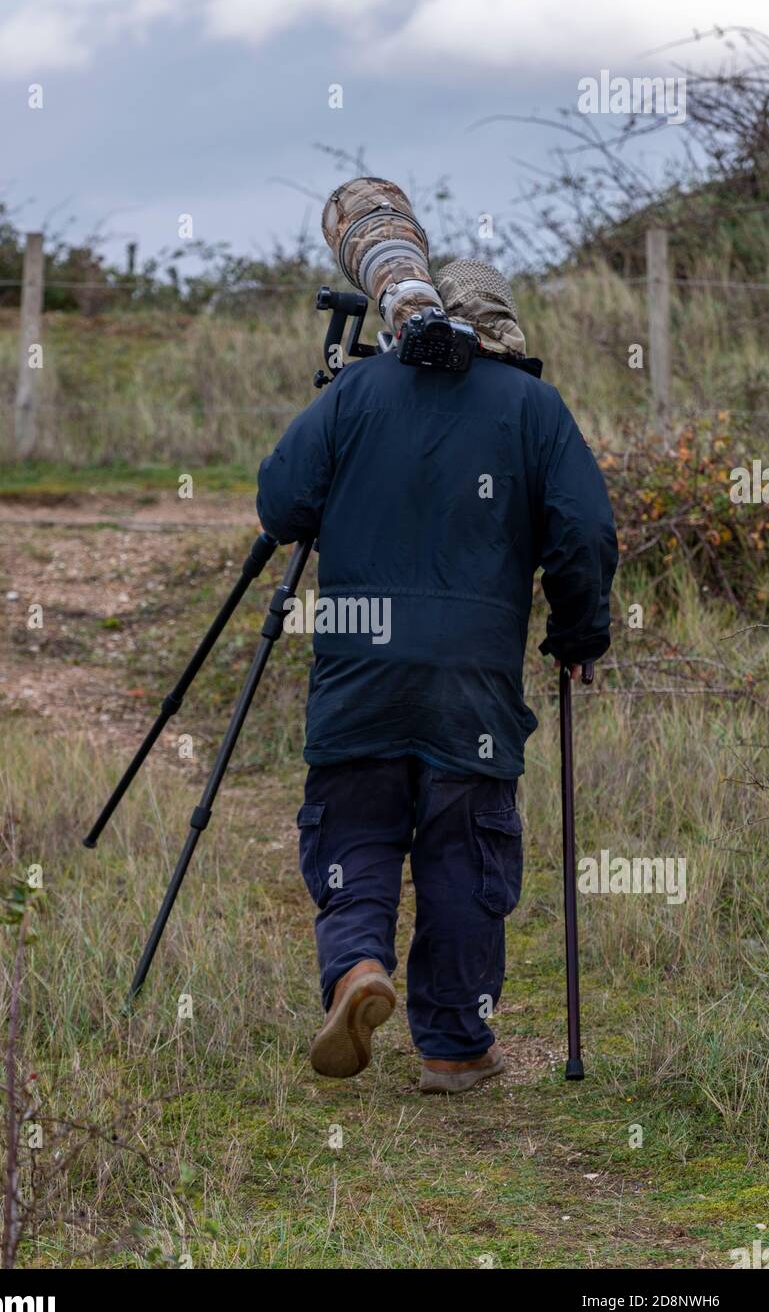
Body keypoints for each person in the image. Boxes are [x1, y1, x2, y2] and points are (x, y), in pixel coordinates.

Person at [256, 259, 618, 1094]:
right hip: (474, 681)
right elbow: (584, 532)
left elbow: (280, 505)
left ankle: (355, 970)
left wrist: (348, 404)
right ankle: (454, 1047)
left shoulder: (360, 391)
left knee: (356, 834)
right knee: (462, 853)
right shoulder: (534, 408)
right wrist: (577, 634)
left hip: (356, 672)